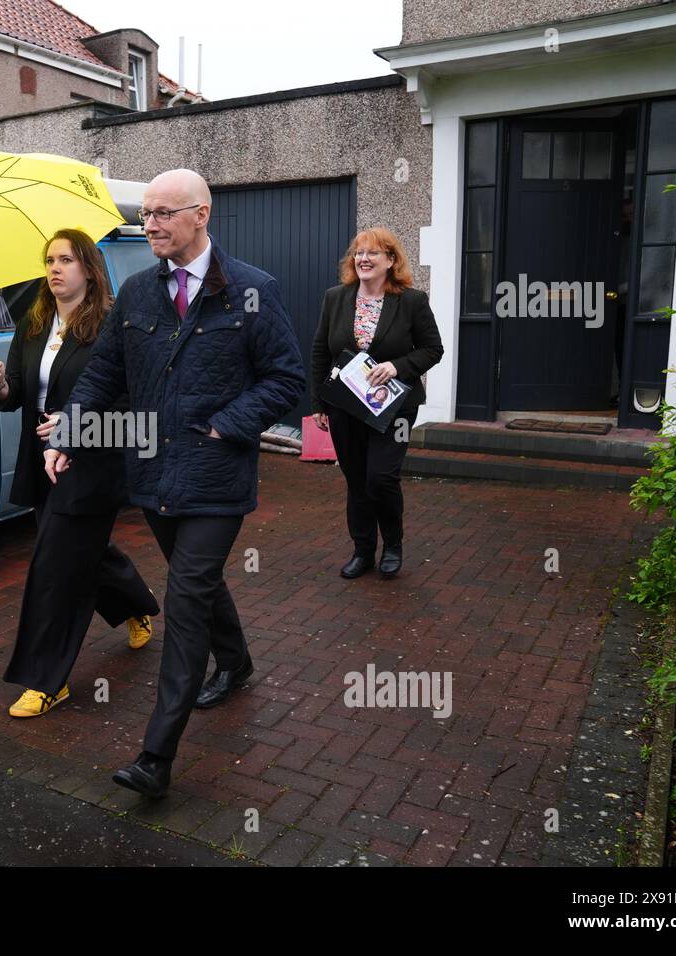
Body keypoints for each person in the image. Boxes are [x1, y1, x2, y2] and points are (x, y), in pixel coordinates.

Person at [45, 170, 306, 798]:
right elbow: (103, 374)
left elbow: (286, 378)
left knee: (185, 598)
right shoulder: (135, 295)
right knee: (202, 580)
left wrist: (228, 425)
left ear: (202, 214)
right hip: (154, 474)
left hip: (217, 475)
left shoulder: (251, 290)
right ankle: (237, 661)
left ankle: (156, 757)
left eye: (164, 214)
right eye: (146, 216)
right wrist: (67, 435)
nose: (152, 225)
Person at [0, 229, 159, 719]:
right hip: (43, 460)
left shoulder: (109, 325)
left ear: (88, 268)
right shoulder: (32, 323)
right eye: (49, 260)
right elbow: (16, 393)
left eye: (65, 260)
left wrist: (79, 423)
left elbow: (134, 405)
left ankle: (46, 680)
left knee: (55, 567)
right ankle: (137, 605)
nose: (54, 269)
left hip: (89, 462)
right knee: (85, 551)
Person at [310, 227, 444, 580]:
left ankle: (394, 545)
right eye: (358, 253)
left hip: (394, 408)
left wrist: (396, 366)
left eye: (373, 253)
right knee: (356, 480)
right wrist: (319, 404)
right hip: (344, 405)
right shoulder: (336, 297)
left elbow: (433, 350)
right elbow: (321, 350)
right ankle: (363, 550)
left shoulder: (412, 301)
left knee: (381, 478)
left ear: (391, 260)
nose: (364, 259)